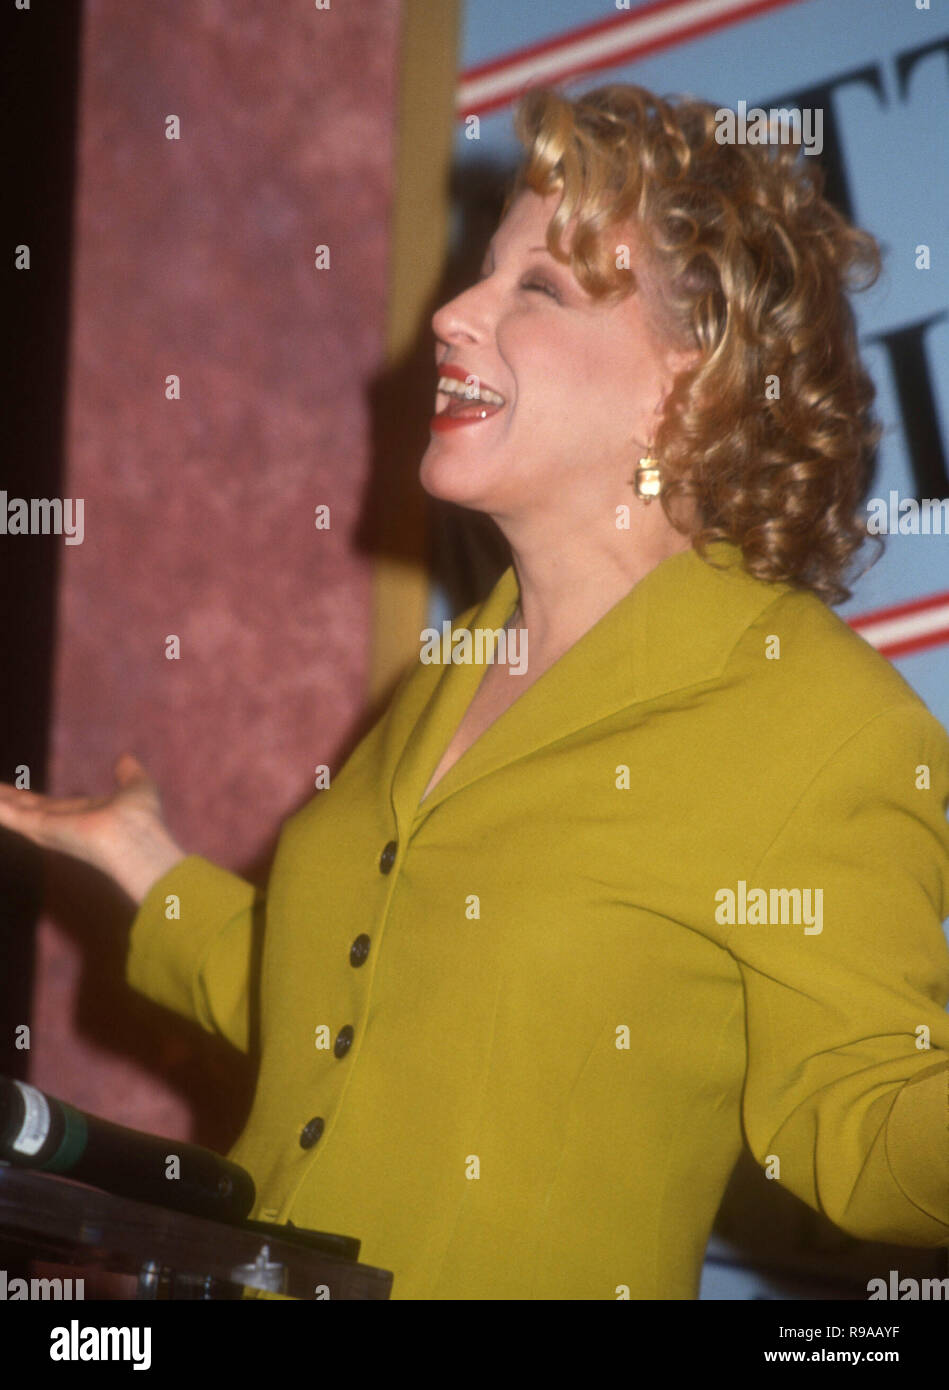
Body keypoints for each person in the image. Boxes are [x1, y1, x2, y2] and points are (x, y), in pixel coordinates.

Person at [1, 84, 947, 1300]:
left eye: (537, 289)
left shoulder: (826, 724)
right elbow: (356, 1015)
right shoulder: (454, 673)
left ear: (692, 382)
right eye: (482, 274)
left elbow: (864, 1129)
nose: (449, 312)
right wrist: (149, 866)